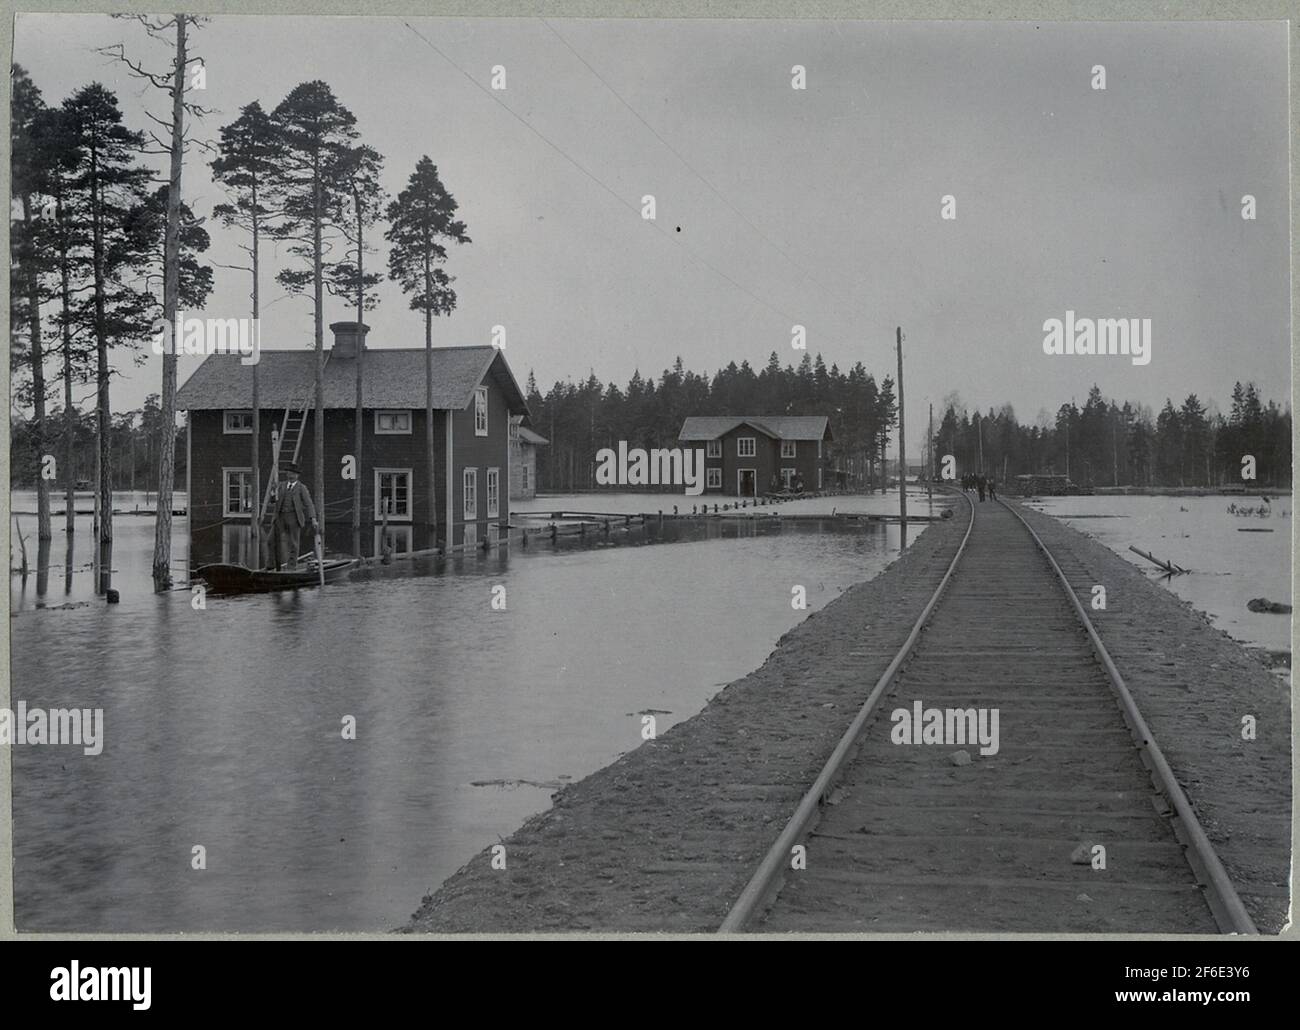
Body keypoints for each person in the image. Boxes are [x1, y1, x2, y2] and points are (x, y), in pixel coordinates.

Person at [271, 461, 319, 570]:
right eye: (289, 473)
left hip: (294, 517)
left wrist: (313, 519)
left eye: (293, 473)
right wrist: (273, 493)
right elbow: (273, 501)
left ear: (297, 475)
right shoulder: (281, 486)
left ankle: (291, 567)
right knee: (272, 540)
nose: (290, 475)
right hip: (280, 517)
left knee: (293, 543)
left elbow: (309, 504)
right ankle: (274, 566)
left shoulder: (302, 488)